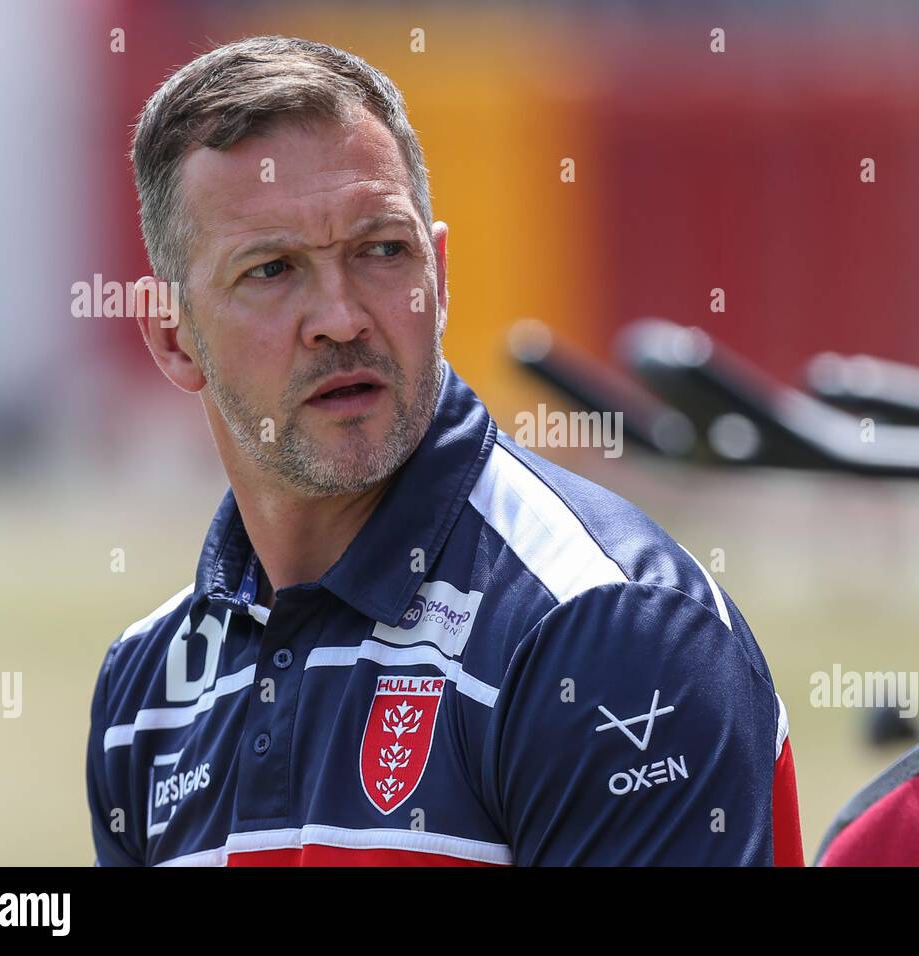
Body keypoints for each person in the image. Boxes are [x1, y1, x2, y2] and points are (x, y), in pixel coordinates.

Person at [86, 35, 804, 866]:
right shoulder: (144, 689)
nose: (342, 316)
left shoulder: (603, 631)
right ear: (173, 336)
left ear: (442, 273)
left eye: (383, 251)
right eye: (273, 269)